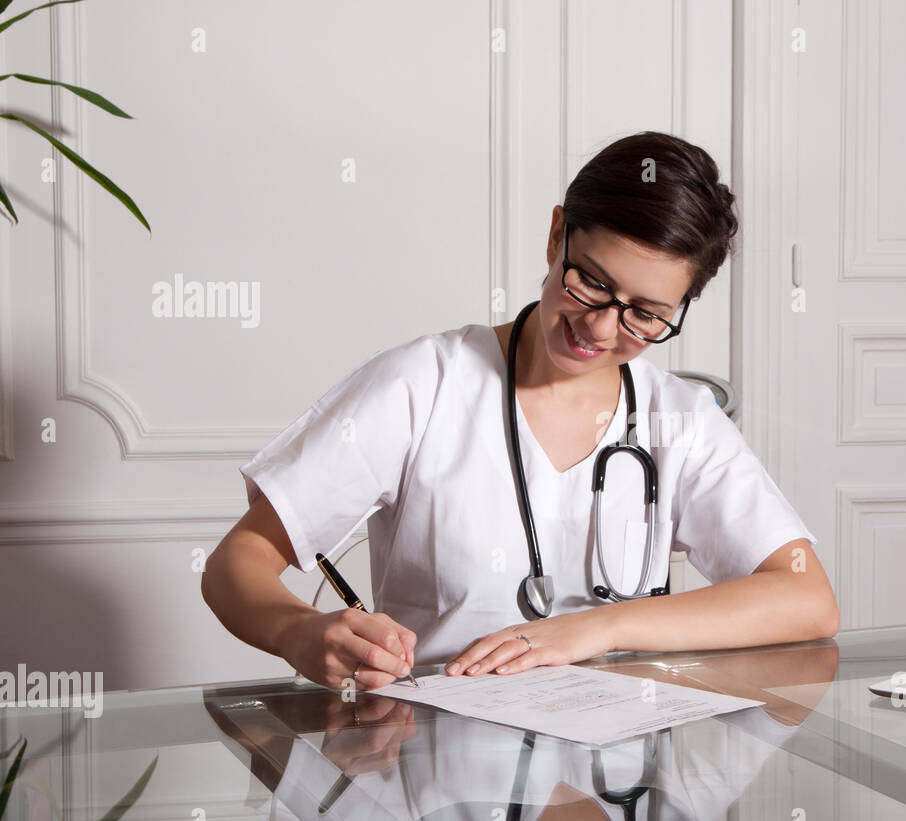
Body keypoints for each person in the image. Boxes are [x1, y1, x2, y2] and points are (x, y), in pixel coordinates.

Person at [202, 131, 839, 691]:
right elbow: (236, 565)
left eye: (645, 314)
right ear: (557, 234)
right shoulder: (423, 386)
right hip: (441, 763)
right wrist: (299, 632)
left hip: (620, 779)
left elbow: (806, 596)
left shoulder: (683, 419)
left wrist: (597, 629)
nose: (599, 326)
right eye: (589, 280)